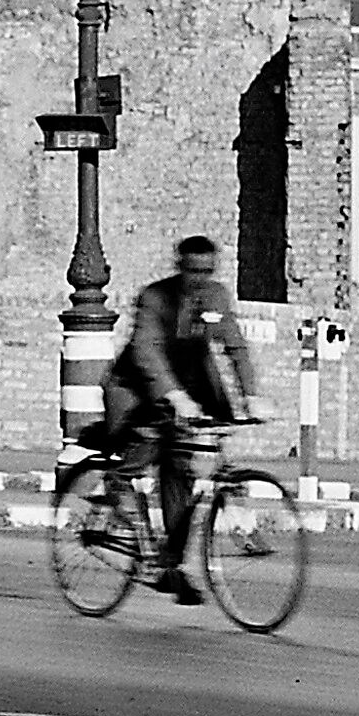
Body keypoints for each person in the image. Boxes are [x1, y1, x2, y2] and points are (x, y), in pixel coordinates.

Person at [101, 233, 261, 605]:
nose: (200, 278)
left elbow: (234, 346)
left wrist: (251, 396)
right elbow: (145, 352)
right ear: (181, 268)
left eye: (207, 271)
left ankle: (173, 566)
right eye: (193, 270)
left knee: (181, 471)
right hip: (135, 388)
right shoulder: (156, 297)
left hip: (187, 387)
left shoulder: (216, 297)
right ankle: (117, 483)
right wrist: (174, 396)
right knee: (151, 441)